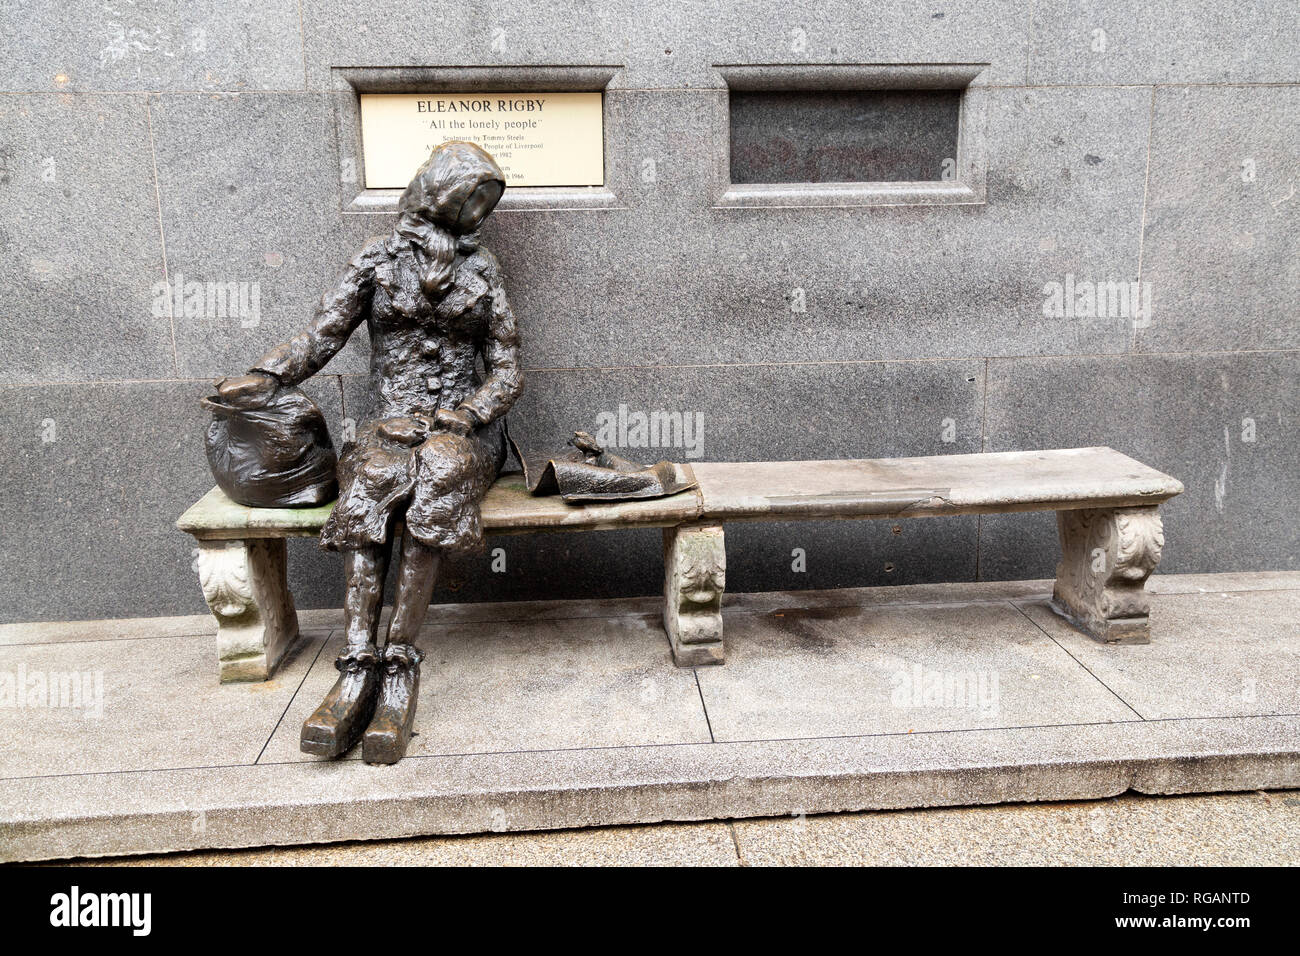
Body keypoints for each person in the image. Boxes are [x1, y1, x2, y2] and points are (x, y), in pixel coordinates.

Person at [213, 141, 522, 764]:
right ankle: (356, 667)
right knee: (375, 478)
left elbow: (510, 366)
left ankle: (401, 666)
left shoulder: (483, 268)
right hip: (390, 422)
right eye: (469, 199)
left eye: (486, 205)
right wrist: (267, 375)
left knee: (437, 472)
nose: (477, 215)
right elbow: (322, 335)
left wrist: (468, 413)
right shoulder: (377, 262)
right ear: (436, 192)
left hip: (465, 430)